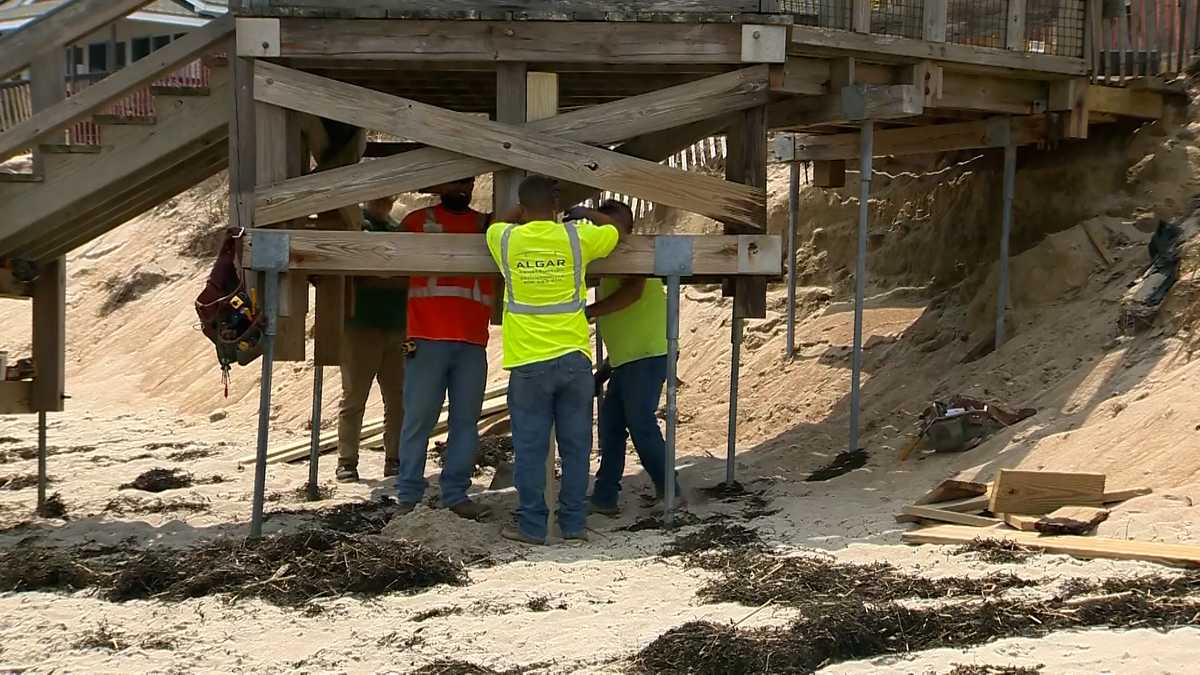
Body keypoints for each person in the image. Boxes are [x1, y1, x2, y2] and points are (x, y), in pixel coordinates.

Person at [485, 176, 621, 544]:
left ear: (523, 208)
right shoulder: (577, 237)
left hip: (529, 363)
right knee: (576, 448)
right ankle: (573, 524)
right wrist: (584, 212)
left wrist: (520, 212)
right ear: (557, 206)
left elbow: (496, 222)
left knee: (530, 450)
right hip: (573, 359)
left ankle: (532, 526)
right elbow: (616, 230)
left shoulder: (505, 239)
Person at [393, 178, 495, 520]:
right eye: (455, 181)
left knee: (465, 422)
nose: (461, 188)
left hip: (472, 341)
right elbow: (385, 259)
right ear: (440, 185)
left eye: (467, 181)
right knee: (418, 420)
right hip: (426, 337)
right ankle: (408, 495)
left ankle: (456, 494)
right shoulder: (416, 221)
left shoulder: (487, 225)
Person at [585, 199, 681, 515]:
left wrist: (589, 311)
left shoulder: (633, 254)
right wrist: (605, 370)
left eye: (608, 224)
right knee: (612, 427)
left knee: (641, 422)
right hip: (627, 361)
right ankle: (604, 498)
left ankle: (670, 491)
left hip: (648, 355)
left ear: (626, 228)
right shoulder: (608, 261)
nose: (604, 230)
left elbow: (633, 293)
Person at [335, 195, 407, 482]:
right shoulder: (357, 224)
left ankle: (395, 459)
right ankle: (347, 461)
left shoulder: (396, 228)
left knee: (398, 399)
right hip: (361, 325)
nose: (384, 201)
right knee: (355, 397)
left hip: (396, 325)